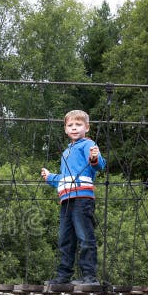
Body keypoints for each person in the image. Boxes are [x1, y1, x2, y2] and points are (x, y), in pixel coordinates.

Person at [40, 109, 106, 285]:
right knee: (65, 239)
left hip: (82, 199)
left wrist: (94, 158)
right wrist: (50, 177)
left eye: (78, 125)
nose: (74, 128)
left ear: (87, 127)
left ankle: (89, 276)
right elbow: (66, 178)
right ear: (65, 129)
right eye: (70, 125)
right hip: (67, 200)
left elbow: (99, 164)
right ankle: (63, 276)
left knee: (85, 237)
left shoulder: (87, 145)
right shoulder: (66, 152)